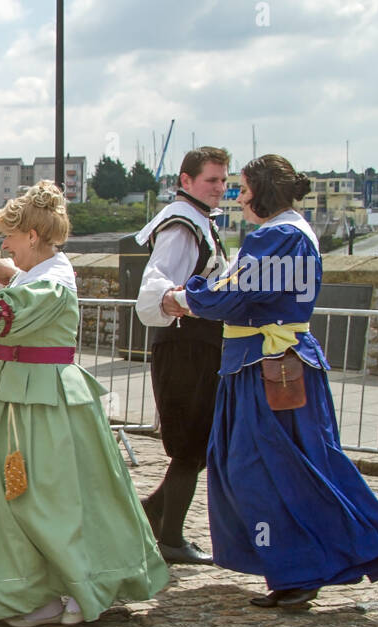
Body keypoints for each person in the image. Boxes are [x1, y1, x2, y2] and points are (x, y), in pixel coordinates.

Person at [0, 181, 168, 626]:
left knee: (47, 496)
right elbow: (5, 300)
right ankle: (38, 590)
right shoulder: (38, 277)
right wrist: (5, 273)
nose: (4, 246)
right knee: (24, 495)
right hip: (24, 395)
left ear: (32, 236)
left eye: (9, 236)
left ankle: (70, 588)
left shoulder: (52, 285)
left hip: (47, 401)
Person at [176, 154, 378, 607]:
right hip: (264, 365)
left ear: (262, 192)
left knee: (269, 470)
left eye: (243, 190)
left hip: (267, 367)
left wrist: (186, 296)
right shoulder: (287, 233)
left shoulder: (280, 235)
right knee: (279, 467)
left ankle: (308, 567)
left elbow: (237, 295)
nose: (239, 199)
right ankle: (302, 567)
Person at [133, 147, 232, 566]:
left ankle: (153, 513)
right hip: (183, 344)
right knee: (190, 446)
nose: (220, 188)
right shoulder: (181, 225)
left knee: (197, 445)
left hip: (196, 344)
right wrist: (191, 302)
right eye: (212, 180)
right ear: (186, 181)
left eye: (225, 181)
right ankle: (169, 537)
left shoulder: (196, 221)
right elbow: (155, 287)